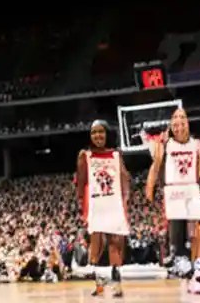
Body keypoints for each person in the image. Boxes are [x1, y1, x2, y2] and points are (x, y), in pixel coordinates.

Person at [145, 109, 200, 287]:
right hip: (174, 190)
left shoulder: (197, 144)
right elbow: (155, 166)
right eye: (175, 118)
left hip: (192, 188)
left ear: (188, 123)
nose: (179, 121)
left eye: (183, 117)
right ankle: (181, 262)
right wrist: (150, 186)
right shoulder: (164, 144)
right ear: (171, 125)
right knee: (177, 231)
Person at [77, 121, 129, 298]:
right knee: (96, 246)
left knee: (115, 245)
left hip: (113, 204)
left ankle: (117, 285)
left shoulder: (115, 154)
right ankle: (99, 286)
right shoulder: (85, 155)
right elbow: (81, 182)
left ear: (107, 133)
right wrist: (82, 206)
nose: (97, 135)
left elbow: (124, 179)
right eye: (94, 132)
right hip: (96, 205)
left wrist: (125, 200)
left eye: (101, 132)